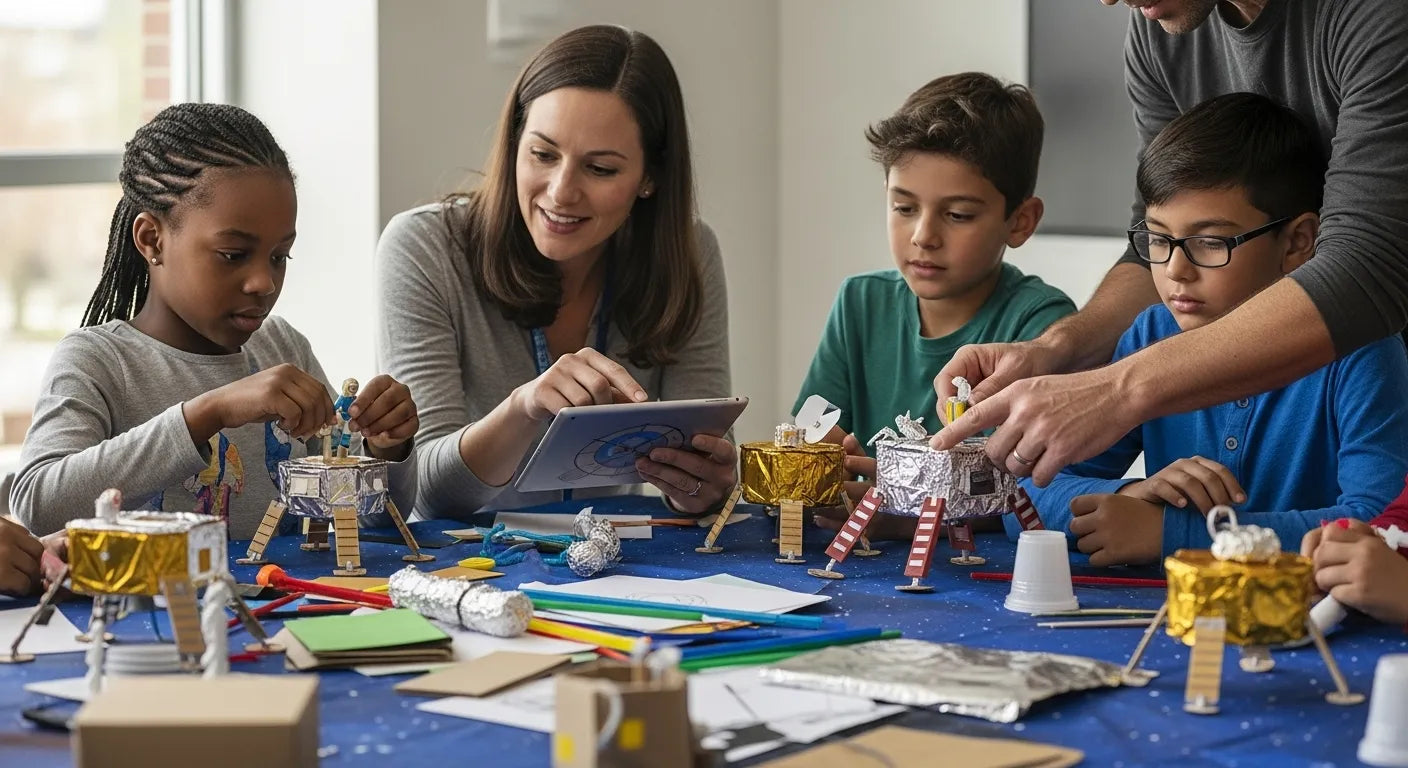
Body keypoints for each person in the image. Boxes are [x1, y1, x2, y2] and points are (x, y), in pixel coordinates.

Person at [931, 0, 1408, 487]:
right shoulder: (1160, 30)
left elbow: (1364, 268)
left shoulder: (1377, 18)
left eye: (1210, 242)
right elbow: (1152, 241)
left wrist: (1117, 390)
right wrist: (1059, 350)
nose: (1109, 1)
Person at [1019, 93, 1408, 566]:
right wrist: (1136, 494)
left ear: (1298, 241)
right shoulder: (1152, 333)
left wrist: (1175, 533)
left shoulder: (1361, 350)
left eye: (1209, 242)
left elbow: (1382, 525)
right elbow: (1022, 497)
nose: (1175, 270)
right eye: (1159, 239)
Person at [8, 103, 420, 539]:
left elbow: (372, 518)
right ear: (152, 240)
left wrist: (386, 448)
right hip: (161, 608)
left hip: (287, 605)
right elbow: (40, 505)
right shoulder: (99, 361)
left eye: (280, 256)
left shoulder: (283, 348)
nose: (263, 282)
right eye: (233, 255)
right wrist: (209, 411)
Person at [376, 25, 735, 519]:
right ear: (514, 144)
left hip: (619, 566)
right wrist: (522, 409)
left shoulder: (689, 252)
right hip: (464, 567)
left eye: (601, 169)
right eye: (543, 154)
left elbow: (702, 479)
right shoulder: (425, 247)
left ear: (650, 177)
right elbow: (423, 493)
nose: (562, 191)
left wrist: (699, 485)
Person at [794, 73, 1073, 506]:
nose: (924, 235)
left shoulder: (1042, 326)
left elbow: (1034, 491)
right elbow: (815, 434)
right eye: (904, 207)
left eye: (958, 214)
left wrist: (905, 508)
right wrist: (821, 458)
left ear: (1020, 221)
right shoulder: (859, 302)